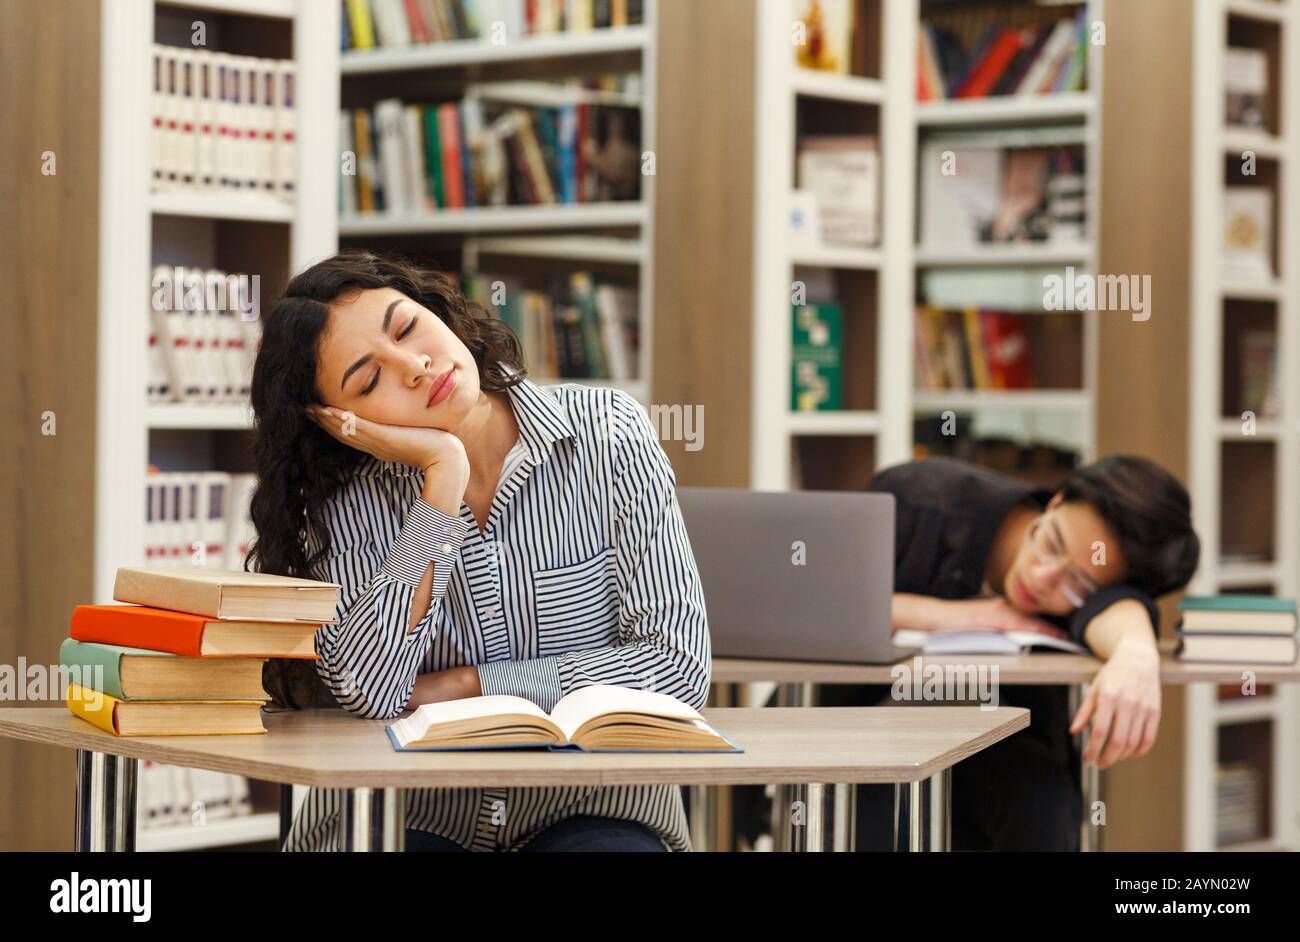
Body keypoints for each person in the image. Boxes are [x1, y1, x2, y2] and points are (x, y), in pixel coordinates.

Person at [245, 250, 711, 852]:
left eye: (408, 327)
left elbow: (676, 669)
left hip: (593, 802)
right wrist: (440, 479)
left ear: (436, 308)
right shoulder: (344, 495)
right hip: (407, 809)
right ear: (338, 420)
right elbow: (371, 691)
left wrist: (467, 683)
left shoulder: (610, 434)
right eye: (369, 379)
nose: (414, 366)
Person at [829, 455, 1201, 851]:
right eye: (1051, 541)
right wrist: (959, 616)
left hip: (1003, 768)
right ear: (1055, 502)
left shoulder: (1097, 593)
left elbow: (1120, 613)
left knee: (1043, 802)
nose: (1042, 578)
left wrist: (1136, 655)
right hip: (854, 734)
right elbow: (817, 600)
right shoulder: (920, 499)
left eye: (1077, 582)